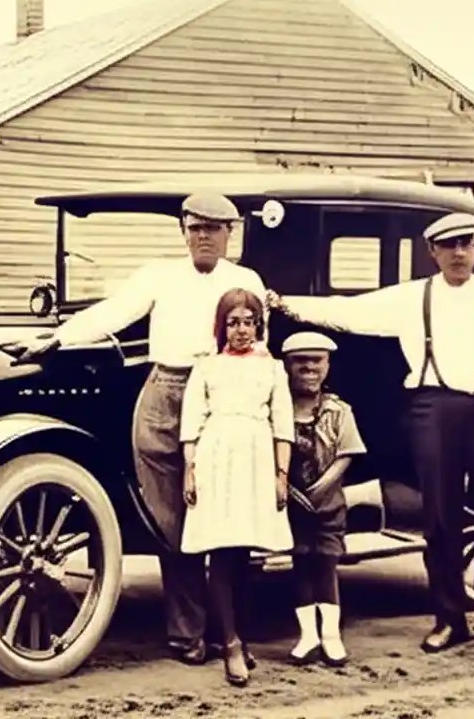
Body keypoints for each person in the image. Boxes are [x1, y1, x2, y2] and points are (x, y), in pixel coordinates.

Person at [267, 212, 474, 653]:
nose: (459, 253)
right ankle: (449, 620)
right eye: (449, 245)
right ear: (432, 251)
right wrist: (280, 301)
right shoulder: (411, 298)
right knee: (440, 517)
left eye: (467, 243)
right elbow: (346, 311)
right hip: (433, 407)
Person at [12, 192, 268, 666]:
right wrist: (55, 339)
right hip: (164, 396)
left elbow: (257, 343)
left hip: (222, 397)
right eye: (195, 228)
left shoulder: (245, 280)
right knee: (172, 522)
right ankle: (186, 635)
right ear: (183, 232)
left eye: (214, 229)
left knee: (224, 519)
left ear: (230, 233)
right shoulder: (158, 275)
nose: (204, 237)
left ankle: (229, 632)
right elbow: (112, 313)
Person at [178, 288, 294, 687]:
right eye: (233, 323)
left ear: (259, 326)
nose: (241, 330)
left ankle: (236, 635)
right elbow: (191, 423)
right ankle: (229, 643)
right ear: (221, 327)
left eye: (248, 322)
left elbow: (283, 426)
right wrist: (190, 470)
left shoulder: (272, 369)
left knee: (244, 555)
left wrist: (281, 475)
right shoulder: (207, 367)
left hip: (256, 459)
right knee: (222, 552)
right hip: (216, 458)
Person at [279, 331, 367, 667]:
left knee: (327, 563)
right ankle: (308, 636)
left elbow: (348, 452)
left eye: (317, 361)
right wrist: (287, 487)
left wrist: (323, 484)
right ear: (287, 366)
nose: (309, 368)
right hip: (292, 504)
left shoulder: (338, 411)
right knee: (301, 563)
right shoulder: (279, 410)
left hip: (328, 505)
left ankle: (331, 635)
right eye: (300, 361)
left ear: (328, 365)